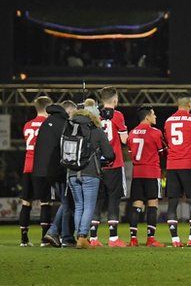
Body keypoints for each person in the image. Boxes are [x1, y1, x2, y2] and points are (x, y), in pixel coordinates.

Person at [65, 105, 115, 249]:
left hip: (72, 173)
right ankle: (82, 237)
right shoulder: (96, 131)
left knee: (79, 206)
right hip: (90, 172)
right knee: (88, 206)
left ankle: (78, 236)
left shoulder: (69, 130)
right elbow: (110, 154)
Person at [163, 96, 191, 247]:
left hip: (172, 165)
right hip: (188, 164)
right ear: (190, 105)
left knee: (173, 202)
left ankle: (175, 239)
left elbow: (168, 141)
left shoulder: (168, 121)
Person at [92, 87, 129, 247]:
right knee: (114, 198)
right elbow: (124, 140)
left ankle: (93, 237)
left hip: (96, 164)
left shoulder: (94, 115)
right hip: (114, 163)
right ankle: (113, 238)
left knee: (97, 199)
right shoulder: (118, 115)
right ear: (115, 100)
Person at [38, 100, 78, 247]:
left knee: (67, 203)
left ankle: (58, 235)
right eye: (73, 114)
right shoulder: (63, 124)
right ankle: (61, 236)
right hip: (58, 169)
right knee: (68, 203)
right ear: (68, 112)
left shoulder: (49, 122)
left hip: (45, 169)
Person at [127, 106, 167, 247]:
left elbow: (131, 153)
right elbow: (162, 152)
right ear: (147, 117)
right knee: (152, 203)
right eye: (153, 114)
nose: (155, 117)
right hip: (151, 172)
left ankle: (133, 239)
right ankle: (150, 239)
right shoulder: (156, 133)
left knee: (137, 204)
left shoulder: (131, 133)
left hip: (137, 173)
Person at [18, 96, 51, 246]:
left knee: (26, 203)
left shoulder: (27, 125)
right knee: (45, 203)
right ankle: (44, 239)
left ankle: (24, 239)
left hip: (27, 166)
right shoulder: (48, 124)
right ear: (48, 107)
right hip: (42, 167)